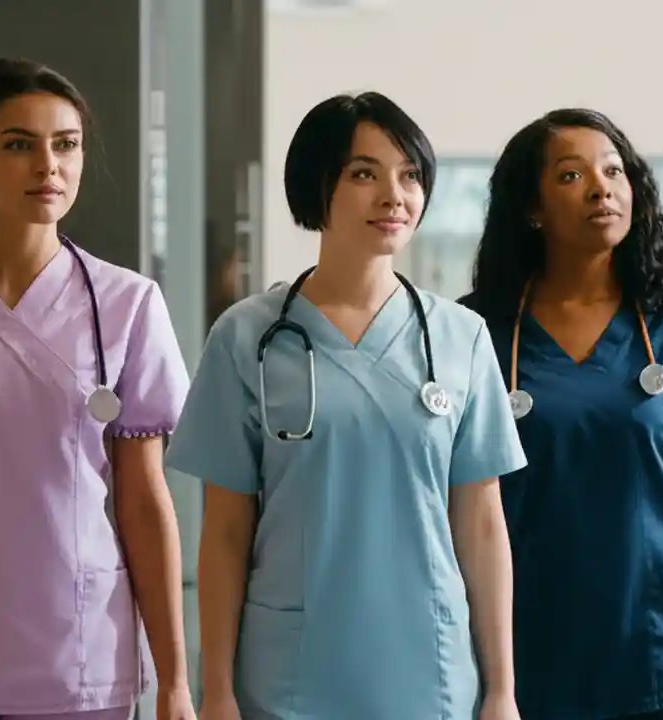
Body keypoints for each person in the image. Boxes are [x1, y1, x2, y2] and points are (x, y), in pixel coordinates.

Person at [164, 91, 527, 719]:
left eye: (410, 175)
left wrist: (502, 690)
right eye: (365, 173)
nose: (394, 195)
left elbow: (483, 524)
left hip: (429, 670)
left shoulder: (459, 337)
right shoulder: (245, 336)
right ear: (315, 186)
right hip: (291, 673)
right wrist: (216, 690)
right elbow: (224, 533)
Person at [460, 108, 663, 720]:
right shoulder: (474, 331)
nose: (601, 187)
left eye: (614, 170)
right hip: (523, 657)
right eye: (571, 175)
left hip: (662, 655)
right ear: (531, 207)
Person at [0, 58, 195, 720]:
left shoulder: (127, 304)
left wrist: (174, 682)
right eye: (19, 145)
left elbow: (144, 502)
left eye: (66, 144)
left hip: (78, 654)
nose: (48, 166)